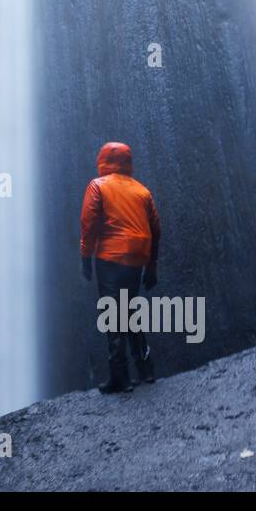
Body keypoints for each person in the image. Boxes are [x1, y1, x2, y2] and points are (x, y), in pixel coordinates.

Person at [80, 141, 161, 394]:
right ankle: (146, 370)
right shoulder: (142, 191)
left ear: (102, 160)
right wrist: (151, 265)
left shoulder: (98, 186)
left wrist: (86, 257)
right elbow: (156, 230)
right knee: (131, 311)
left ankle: (120, 377)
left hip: (111, 257)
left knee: (112, 314)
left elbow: (89, 223)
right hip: (137, 257)